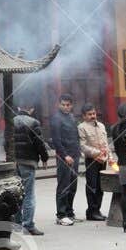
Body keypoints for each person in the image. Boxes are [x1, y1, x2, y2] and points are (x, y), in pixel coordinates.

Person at [10, 103, 51, 235]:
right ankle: (28, 224)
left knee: (17, 193)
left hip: (15, 161)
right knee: (28, 194)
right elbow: (39, 143)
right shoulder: (34, 122)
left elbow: (6, 142)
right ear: (31, 108)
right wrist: (45, 158)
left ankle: (16, 223)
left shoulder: (12, 121)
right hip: (28, 161)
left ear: (18, 108)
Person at [50, 94, 80, 226]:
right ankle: (61, 215)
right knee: (63, 185)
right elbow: (56, 140)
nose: (66, 107)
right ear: (59, 104)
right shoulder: (56, 119)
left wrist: (78, 152)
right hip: (64, 157)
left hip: (75, 155)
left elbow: (75, 136)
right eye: (63, 104)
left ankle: (69, 212)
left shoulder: (72, 117)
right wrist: (64, 155)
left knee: (73, 186)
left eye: (68, 105)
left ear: (71, 105)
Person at [77, 103, 110, 221]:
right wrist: (97, 153)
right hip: (91, 160)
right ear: (84, 116)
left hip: (103, 160)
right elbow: (83, 146)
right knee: (92, 186)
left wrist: (109, 157)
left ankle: (97, 210)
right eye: (89, 114)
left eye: (94, 113)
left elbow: (106, 143)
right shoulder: (82, 127)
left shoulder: (101, 125)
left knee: (101, 186)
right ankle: (91, 211)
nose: (93, 116)